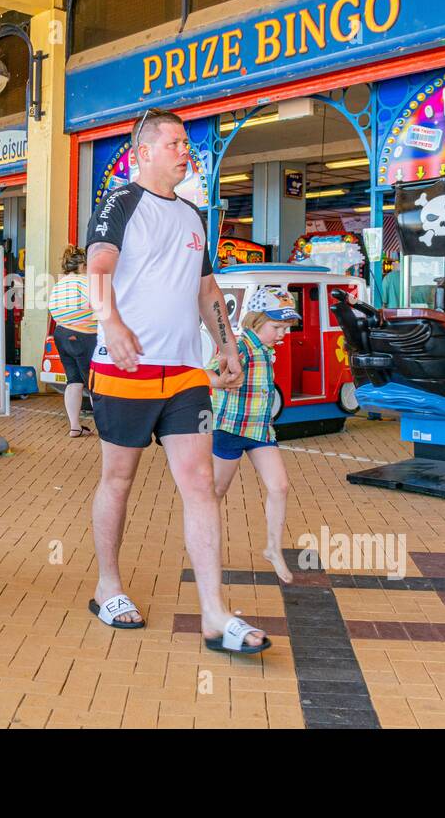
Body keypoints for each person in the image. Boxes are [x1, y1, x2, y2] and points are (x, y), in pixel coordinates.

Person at [85, 108, 270, 655]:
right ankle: (108, 585)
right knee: (118, 479)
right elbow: (97, 267)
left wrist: (229, 346)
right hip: (126, 370)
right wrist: (111, 321)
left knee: (199, 484)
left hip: (187, 374)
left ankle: (214, 613)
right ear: (142, 152)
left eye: (186, 143)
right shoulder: (120, 203)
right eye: (173, 142)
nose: (184, 150)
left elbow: (207, 291)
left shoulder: (193, 215)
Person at [206, 286, 300, 585]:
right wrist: (220, 382)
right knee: (216, 492)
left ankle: (273, 548)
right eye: (277, 327)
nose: (283, 333)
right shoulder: (241, 347)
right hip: (230, 428)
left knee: (280, 486)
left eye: (286, 327)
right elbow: (207, 373)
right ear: (255, 321)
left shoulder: (267, 350)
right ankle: (206, 547)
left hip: (260, 430)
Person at [49, 245, 97, 437]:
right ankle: (105, 427)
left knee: (74, 381)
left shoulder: (59, 284)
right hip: (84, 336)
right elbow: (100, 306)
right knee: (95, 383)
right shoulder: (86, 282)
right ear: (84, 265)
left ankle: (75, 426)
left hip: (61, 334)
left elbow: (52, 309)